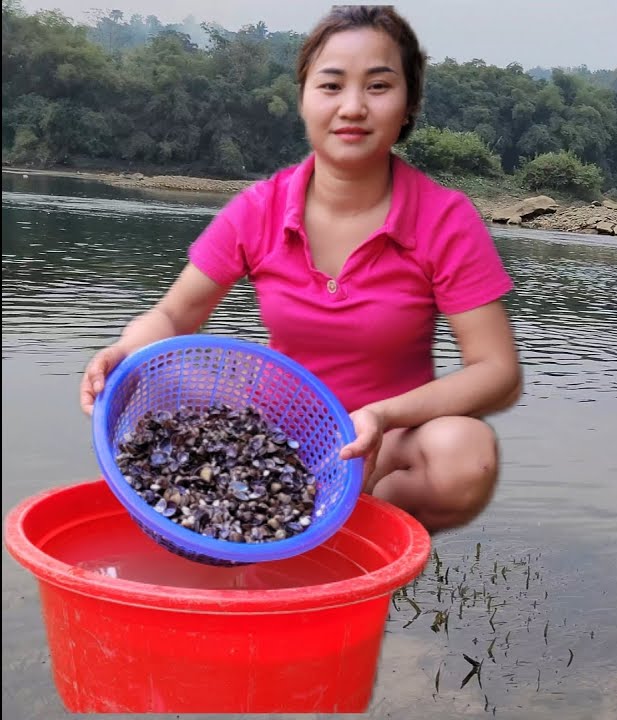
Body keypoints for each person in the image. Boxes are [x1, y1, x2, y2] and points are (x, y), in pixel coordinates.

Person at [78, 6, 523, 533]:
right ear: (304, 99)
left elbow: (497, 371)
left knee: (464, 454)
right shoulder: (259, 209)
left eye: (378, 86)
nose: (353, 107)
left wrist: (382, 416)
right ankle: (256, 524)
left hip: (387, 438)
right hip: (275, 431)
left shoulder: (445, 219)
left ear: (408, 106)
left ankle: (363, 525)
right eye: (331, 85)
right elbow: (175, 316)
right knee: (152, 376)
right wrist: (123, 352)